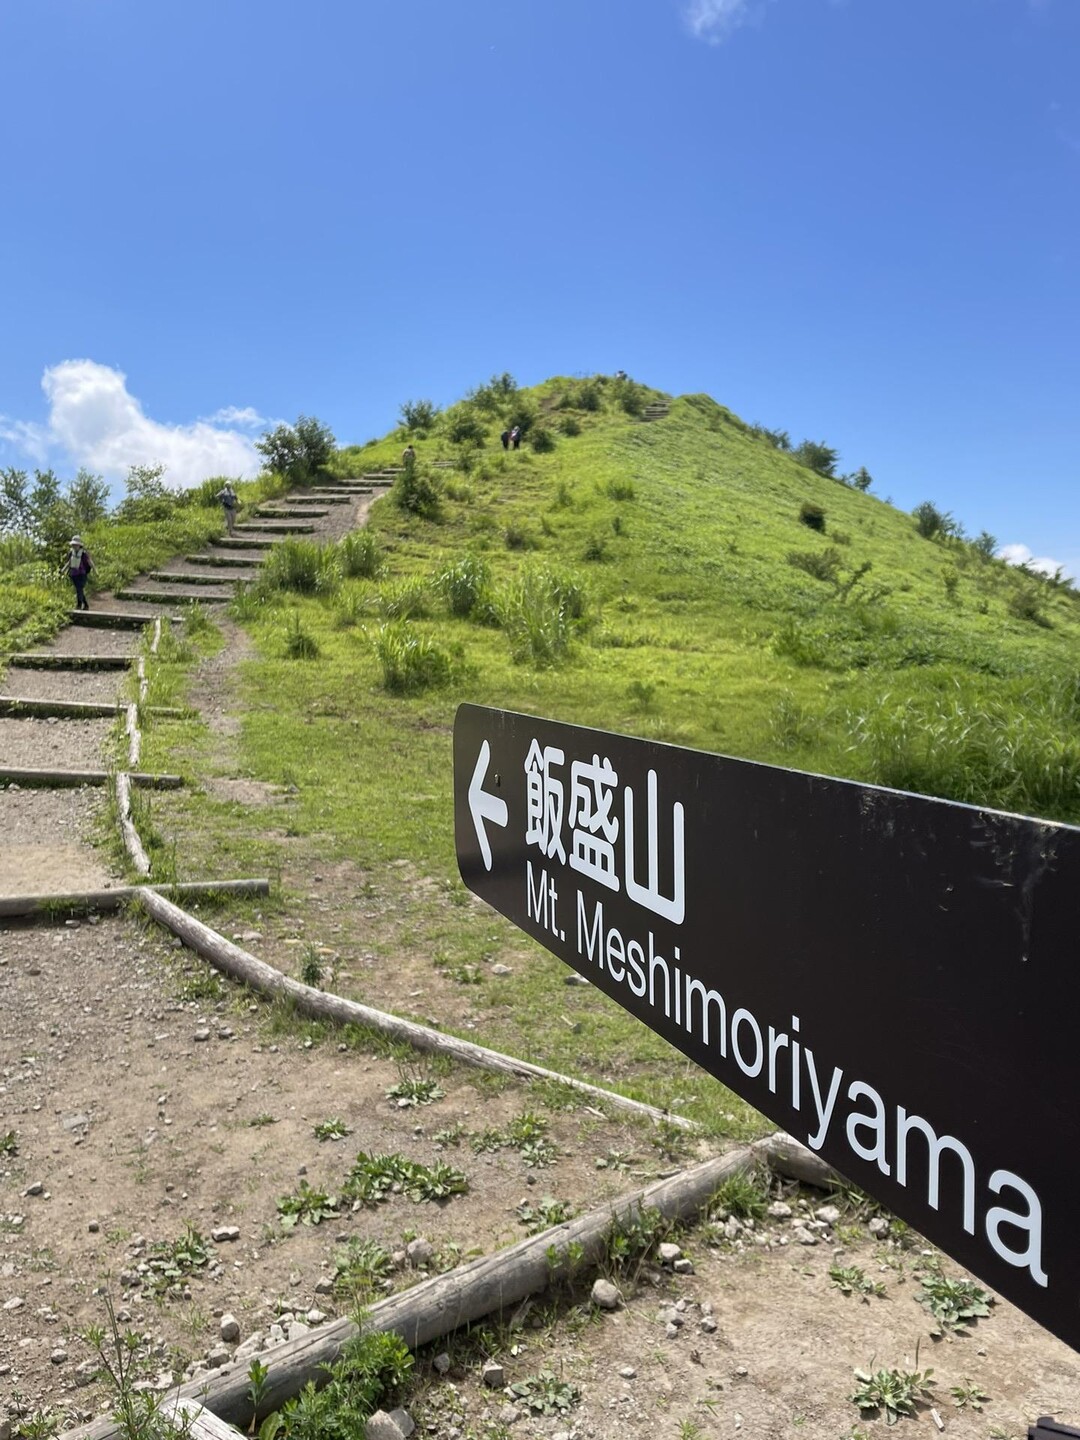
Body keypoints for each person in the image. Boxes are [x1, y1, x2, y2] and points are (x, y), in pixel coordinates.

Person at [65, 535, 93, 611]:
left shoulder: (84, 554)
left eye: (76, 545)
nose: (74, 546)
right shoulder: (71, 553)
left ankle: (79, 605)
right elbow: (69, 563)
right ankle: (85, 605)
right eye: (73, 545)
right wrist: (64, 570)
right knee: (79, 590)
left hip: (82, 574)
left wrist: (95, 571)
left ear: (79, 545)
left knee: (79, 589)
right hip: (74, 575)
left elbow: (89, 562)